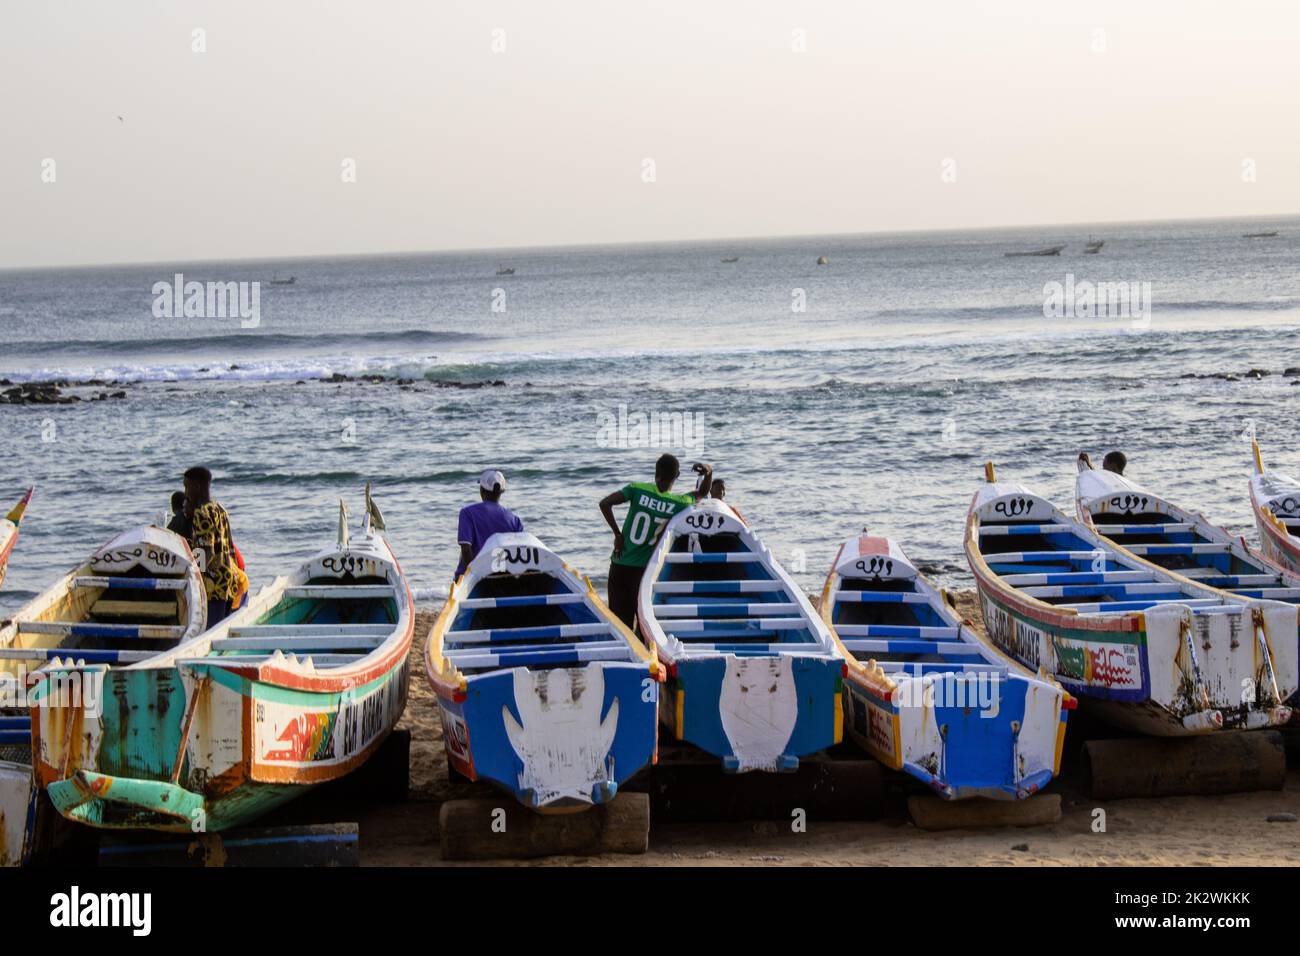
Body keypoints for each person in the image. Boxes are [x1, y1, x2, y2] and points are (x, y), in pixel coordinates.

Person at [599, 454, 712, 632]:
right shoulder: (677, 502)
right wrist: (708, 472)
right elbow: (702, 493)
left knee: (621, 626)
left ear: (656, 473)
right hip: (642, 573)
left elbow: (604, 504)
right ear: (677, 476)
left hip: (618, 566)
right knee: (644, 626)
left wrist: (618, 535)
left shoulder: (637, 489)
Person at [183, 466, 241, 627]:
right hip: (229, 578)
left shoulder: (202, 513)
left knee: (210, 632)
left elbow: (205, 552)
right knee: (223, 629)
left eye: (187, 487)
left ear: (197, 486)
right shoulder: (219, 508)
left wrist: (195, 578)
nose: (186, 493)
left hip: (214, 585)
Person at [455, 469, 525, 579]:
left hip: (470, 580)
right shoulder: (514, 520)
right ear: (501, 492)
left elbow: (466, 549)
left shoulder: (468, 513)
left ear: (482, 490)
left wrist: (474, 577)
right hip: (502, 578)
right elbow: (519, 555)